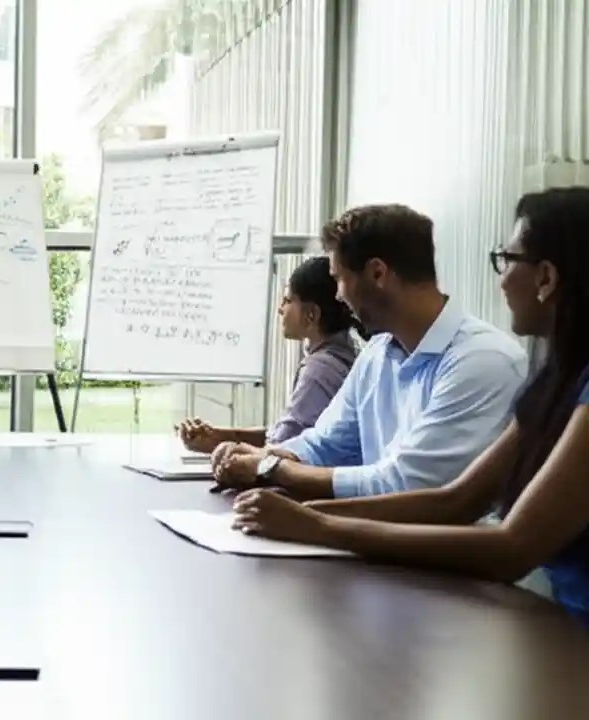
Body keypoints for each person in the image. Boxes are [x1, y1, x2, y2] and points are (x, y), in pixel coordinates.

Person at [232, 188, 589, 625]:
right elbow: (456, 500)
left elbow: (511, 548)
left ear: (547, 277)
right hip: (550, 626)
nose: (500, 279)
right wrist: (300, 515)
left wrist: (314, 524)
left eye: (507, 260)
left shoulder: (492, 360)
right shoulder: (557, 379)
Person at [210, 204, 527, 500]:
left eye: (339, 279)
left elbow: (406, 485)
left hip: (448, 555)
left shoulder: (484, 362)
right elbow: (324, 444)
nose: (338, 295)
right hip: (383, 543)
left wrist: (273, 469)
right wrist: (262, 456)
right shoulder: (377, 354)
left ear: (377, 274)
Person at [177, 256, 361, 451]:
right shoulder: (344, 354)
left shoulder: (319, 370)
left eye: (288, 300)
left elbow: (278, 450)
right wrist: (218, 436)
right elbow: (283, 432)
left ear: (311, 314)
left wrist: (221, 447)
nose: (281, 309)